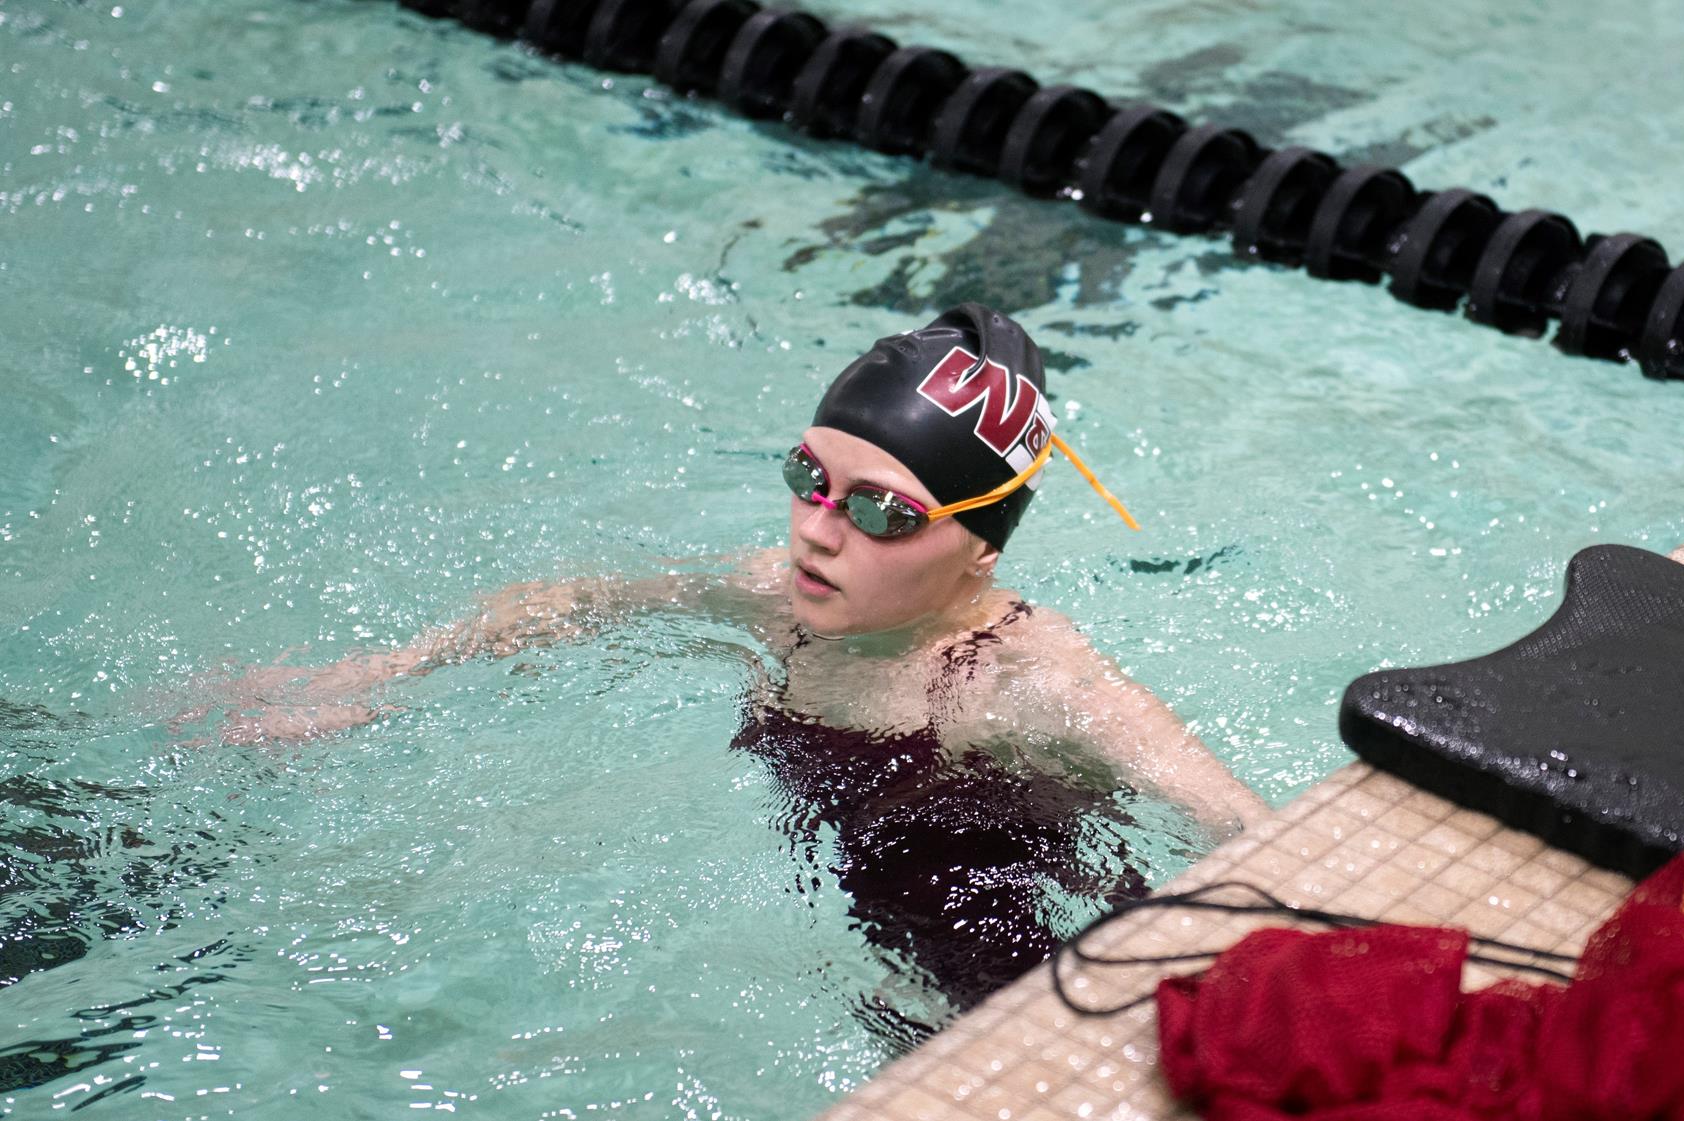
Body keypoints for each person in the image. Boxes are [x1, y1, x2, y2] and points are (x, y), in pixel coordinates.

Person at [202, 303, 1266, 1014]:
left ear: (980, 549)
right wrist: (368, 682)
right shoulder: (779, 590)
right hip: (862, 913)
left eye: (879, 512)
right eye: (808, 476)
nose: (815, 528)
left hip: (1006, 927)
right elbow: (575, 600)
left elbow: (1234, 821)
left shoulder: (1019, 677)